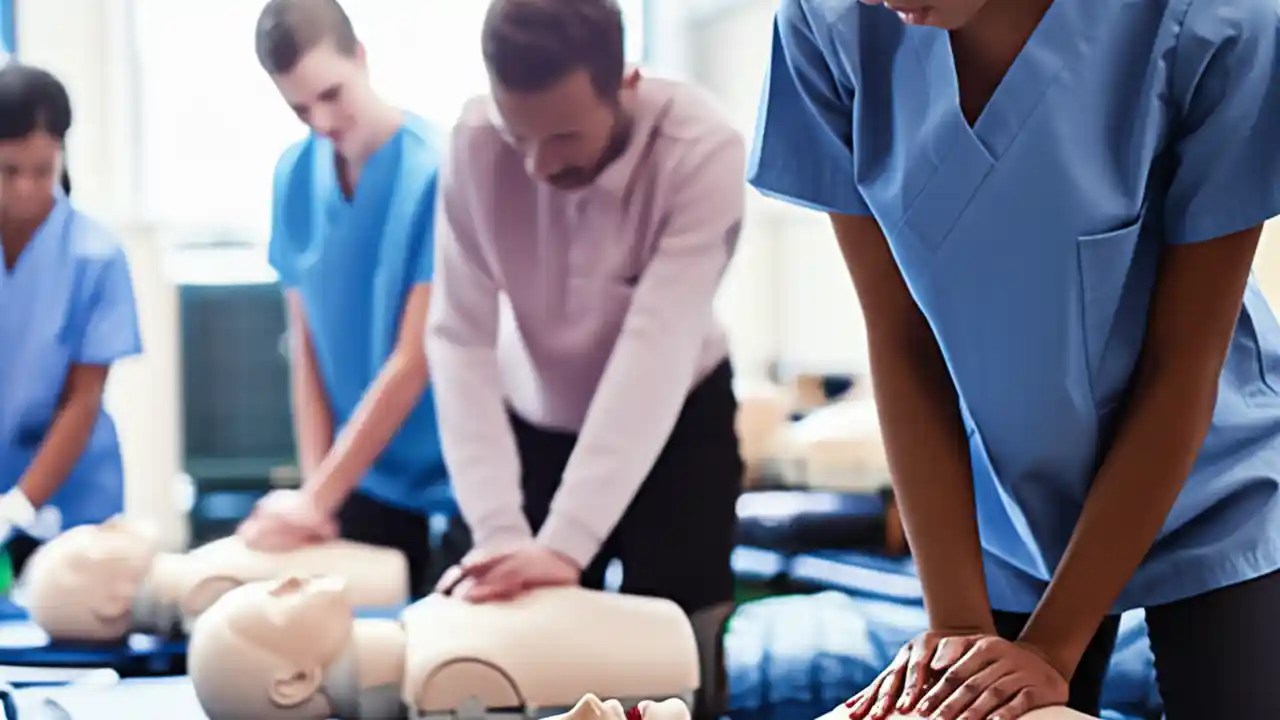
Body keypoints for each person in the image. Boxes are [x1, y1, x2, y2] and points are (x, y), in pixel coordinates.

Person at [749, 0, 1280, 718]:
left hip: (1213, 485)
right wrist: (958, 632)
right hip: (1004, 508)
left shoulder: (1219, 21)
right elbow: (901, 338)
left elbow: (1182, 365)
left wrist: (1053, 649)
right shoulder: (826, 24)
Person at [427, 0, 746, 619]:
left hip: (678, 412)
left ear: (625, 82)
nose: (538, 166)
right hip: (536, 418)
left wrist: (567, 543)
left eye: (564, 136)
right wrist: (499, 533)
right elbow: (460, 340)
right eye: (517, 136)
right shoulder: (470, 145)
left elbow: (655, 351)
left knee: (680, 642)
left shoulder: (704, 149)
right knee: (516, 633)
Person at [237, 0, 450, 597]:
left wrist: (316, 497)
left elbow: (415, 358)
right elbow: (306, 352)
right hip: (359, 482)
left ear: (361, 58)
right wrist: (317, 499)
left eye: (332, 93)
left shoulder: (437, 170)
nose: (322, 121)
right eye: (300, 108)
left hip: (455, 482)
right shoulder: (293, 176)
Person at [0, 64, 142, 576]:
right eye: (8, 171)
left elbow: (82, 399)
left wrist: (18, 504)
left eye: (40, 171)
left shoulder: (95, 257)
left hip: (76, 500)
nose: (25, 190)